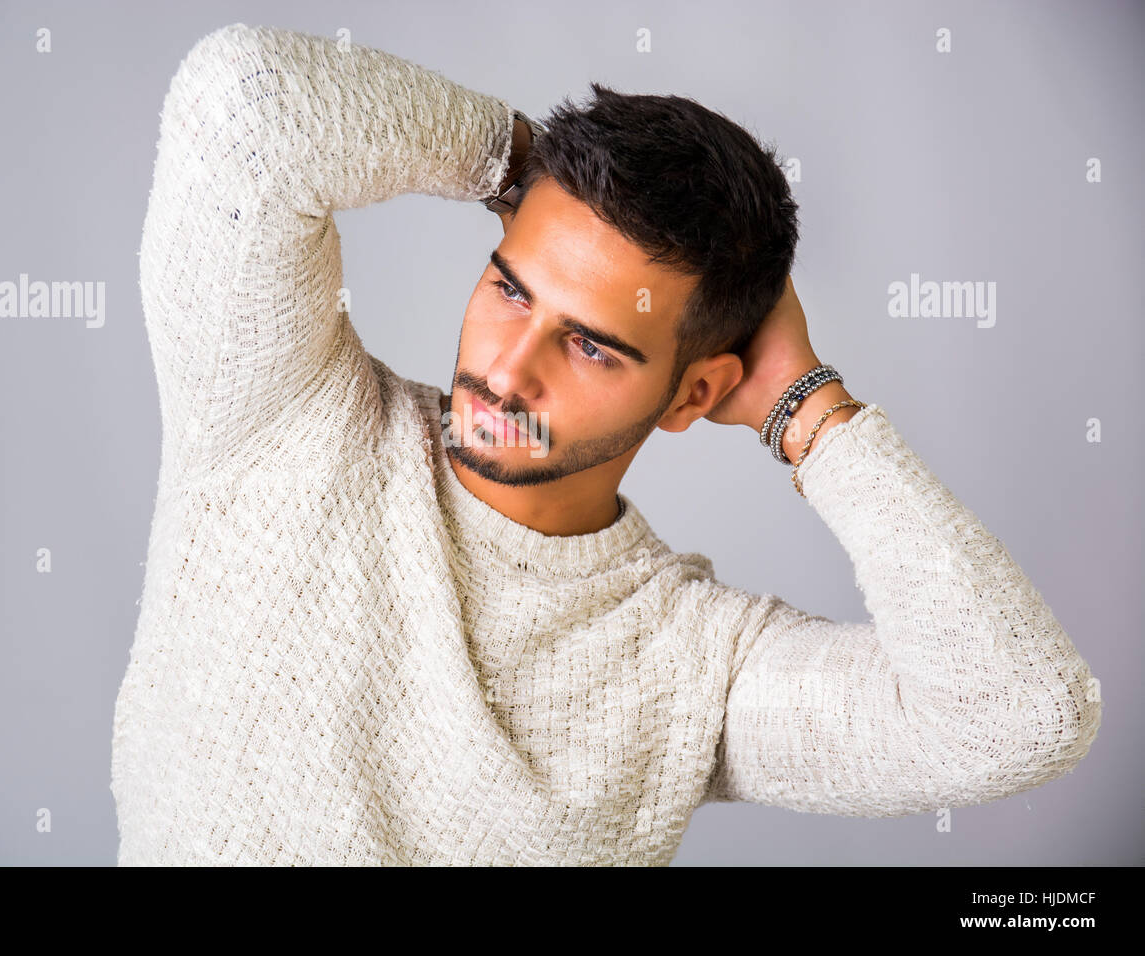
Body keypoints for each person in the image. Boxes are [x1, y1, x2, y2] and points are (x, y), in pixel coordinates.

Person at [110, 23, 1100, 865]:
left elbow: (1021, 715)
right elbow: (245, 102)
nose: (511, 368)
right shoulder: (279, 416)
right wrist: (510, 162)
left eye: (588, 342)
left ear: (693, 394)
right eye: (510, 288)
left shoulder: (687, 665)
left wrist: (806, 411)